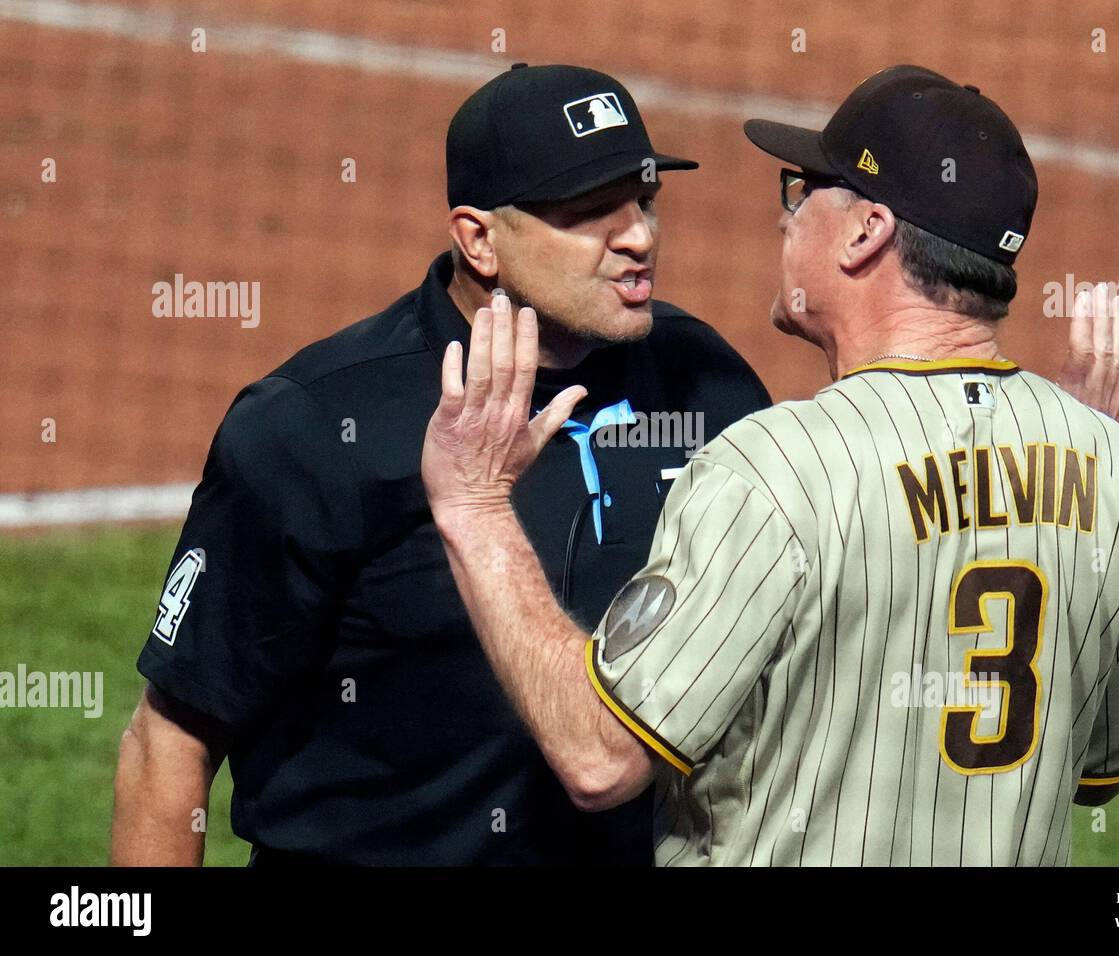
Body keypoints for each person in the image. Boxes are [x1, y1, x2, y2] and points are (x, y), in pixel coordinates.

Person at [420, 65, 1119, 866]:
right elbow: (1107, 759)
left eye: (802, 190)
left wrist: (476, 508)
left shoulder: (769, 470)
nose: (786, 221)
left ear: (866, 232)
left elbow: (601, 758)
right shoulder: (1108, 464)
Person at [109, 64, 771, 866]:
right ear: (479, 239)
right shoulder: (319, 426)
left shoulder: (709, 383)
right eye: (590, 212)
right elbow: (167, 746)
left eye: (644, 199)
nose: (637, 235)